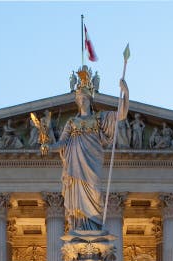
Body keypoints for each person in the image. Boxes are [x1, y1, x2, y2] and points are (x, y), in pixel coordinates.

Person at [45, 66, 129, 232]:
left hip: (92, 162)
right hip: (75, 166)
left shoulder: (100, 119)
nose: (82, 101)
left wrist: (125, 93)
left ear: (90, 100)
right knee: (77, 198)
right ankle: (80, 227)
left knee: (95, 192)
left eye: (84, 98)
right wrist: (49, 147)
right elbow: (62, 143)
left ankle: (93, 227)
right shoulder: (71, 123)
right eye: (79, 99)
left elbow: (121, 115)